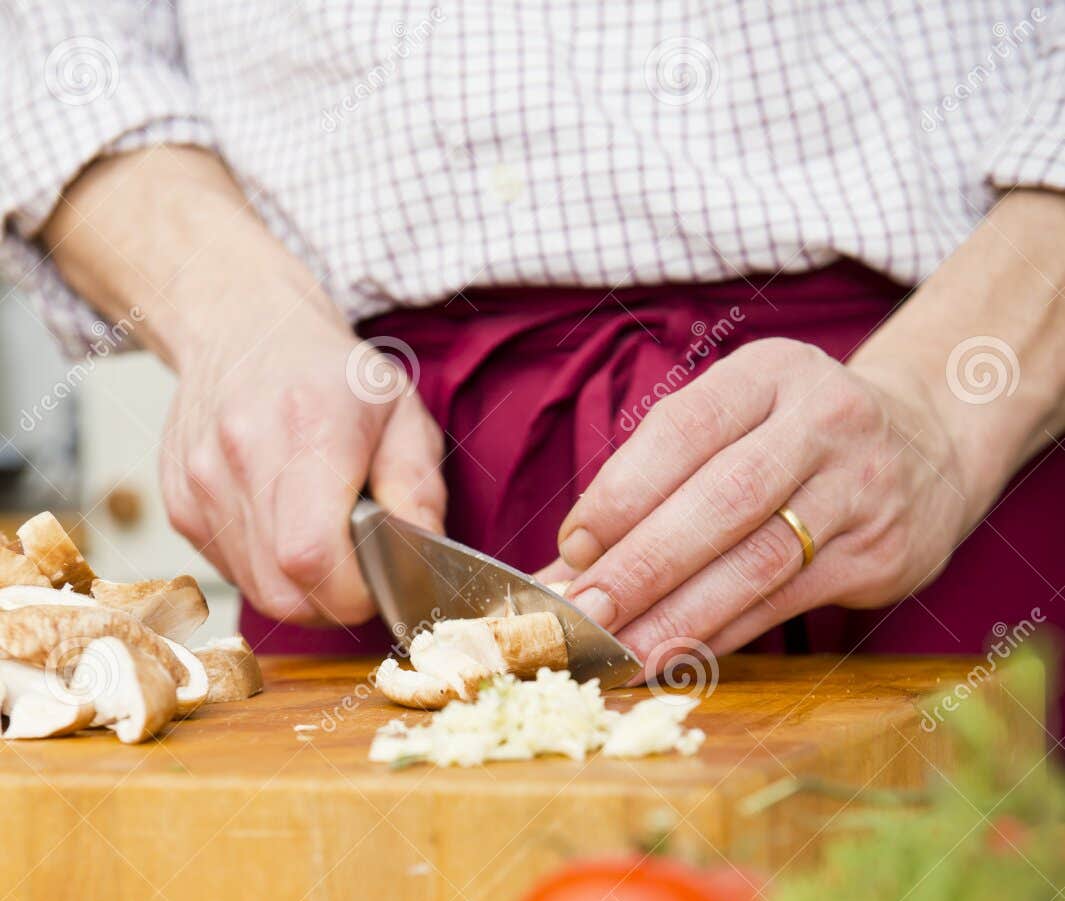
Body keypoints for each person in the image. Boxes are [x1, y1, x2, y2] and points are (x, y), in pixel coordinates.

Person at [2, 2, 1063, 689]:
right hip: (374, 511)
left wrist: (946, 403)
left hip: (945, 460)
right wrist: (233, 317)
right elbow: (48, 49)